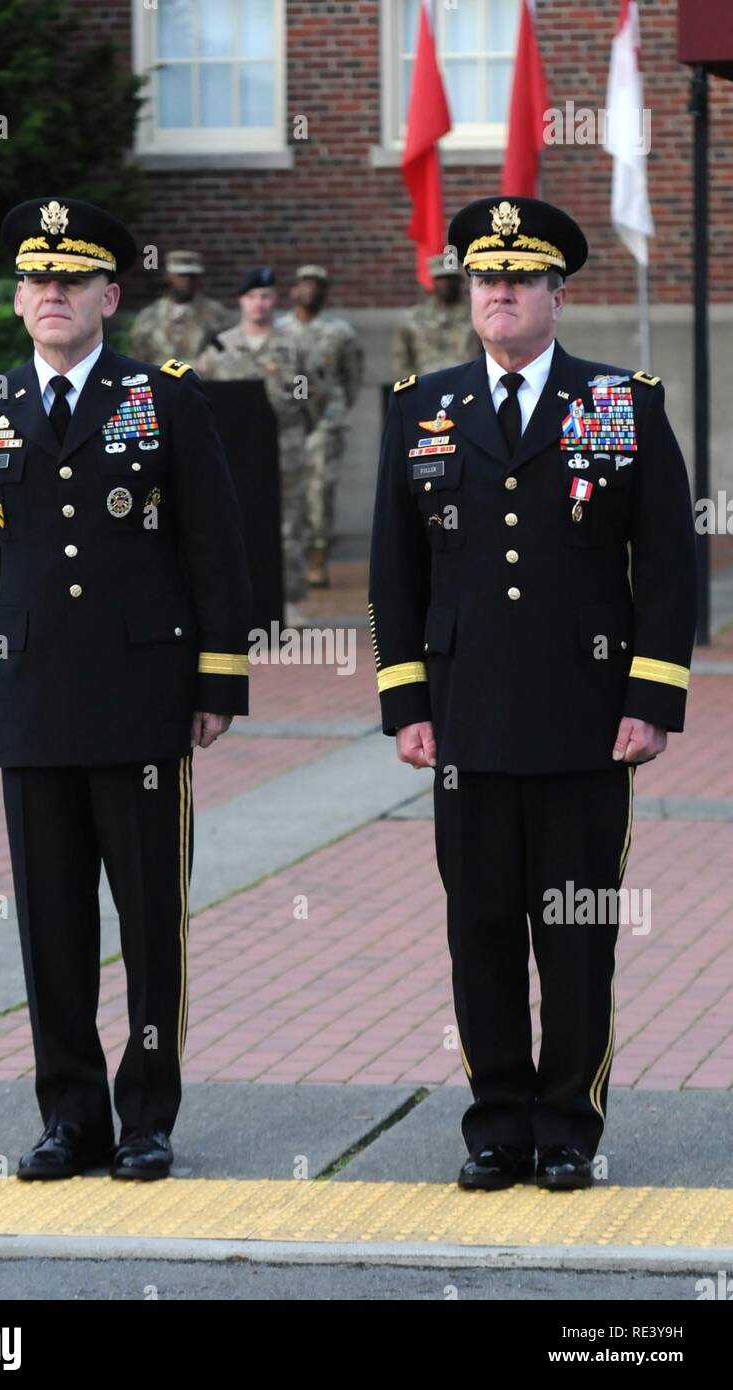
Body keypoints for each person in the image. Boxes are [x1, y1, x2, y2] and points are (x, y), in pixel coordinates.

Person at [368, 196, 697, 1192]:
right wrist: (405, 702)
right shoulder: (420, 407)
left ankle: (565, 1130)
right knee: (478, 932)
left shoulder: (618, 403)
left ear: (558, 293)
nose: (499, 291)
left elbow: (668, 565)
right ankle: (496, 1128)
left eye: (518, 278)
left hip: (584, 720)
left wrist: (651, 697)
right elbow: (393, 573)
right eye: (483, 277)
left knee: (573, 936)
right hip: (464, 718)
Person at [0, 196, 252, 1182]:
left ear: (109, 297)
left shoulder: (162, 397)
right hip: (31, 699)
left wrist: (217, 677)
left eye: (72, 280)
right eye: (37, 279)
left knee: (150, 923)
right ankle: (68, 1117)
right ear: (17, 298)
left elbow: (215, 544)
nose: (53, 294)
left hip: (141, 697)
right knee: (51, 925)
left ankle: (145, 1117)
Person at [197, 267, 320, 621]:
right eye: (252, 297)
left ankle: (289, 600)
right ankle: (239, 600)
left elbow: (314, 392)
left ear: (275, 299)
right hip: (235, 453)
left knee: (290, 524)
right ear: (241, 301)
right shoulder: (220, 346)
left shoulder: (294, 344)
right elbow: (201, 395)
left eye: (265, 296)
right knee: (234, 523)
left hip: (285, 446)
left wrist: (299, 424)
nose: (259, 304)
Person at [278, 265, 364, 588]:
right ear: (294, 290)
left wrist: (335, 411)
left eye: (319, 285)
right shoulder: (278, 330)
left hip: (325, 425)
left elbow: (353, 376)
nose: (311, 289)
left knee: (320, 491)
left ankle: (318, 556)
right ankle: (289, 558)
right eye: (306, 283)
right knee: (287, 492)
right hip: (286, 424)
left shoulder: (339, 332)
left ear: (326, 293)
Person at [129, 249, 234, 364]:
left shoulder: (216, 315)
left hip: (200, 374)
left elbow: (227, 356)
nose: (187, 280)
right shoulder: (150, 315)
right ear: (168, 276)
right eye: (181, 275)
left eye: (192, 276)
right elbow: (137, 357)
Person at [392, 255, 480, 379]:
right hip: (426, 382)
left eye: (450, 278)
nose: (445, 284)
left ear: (460, 280)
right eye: (440, 279)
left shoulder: (477, 314)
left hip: (468, 381)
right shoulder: (414, 318)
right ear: (433, 281)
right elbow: (401, 359)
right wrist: (410, 386)